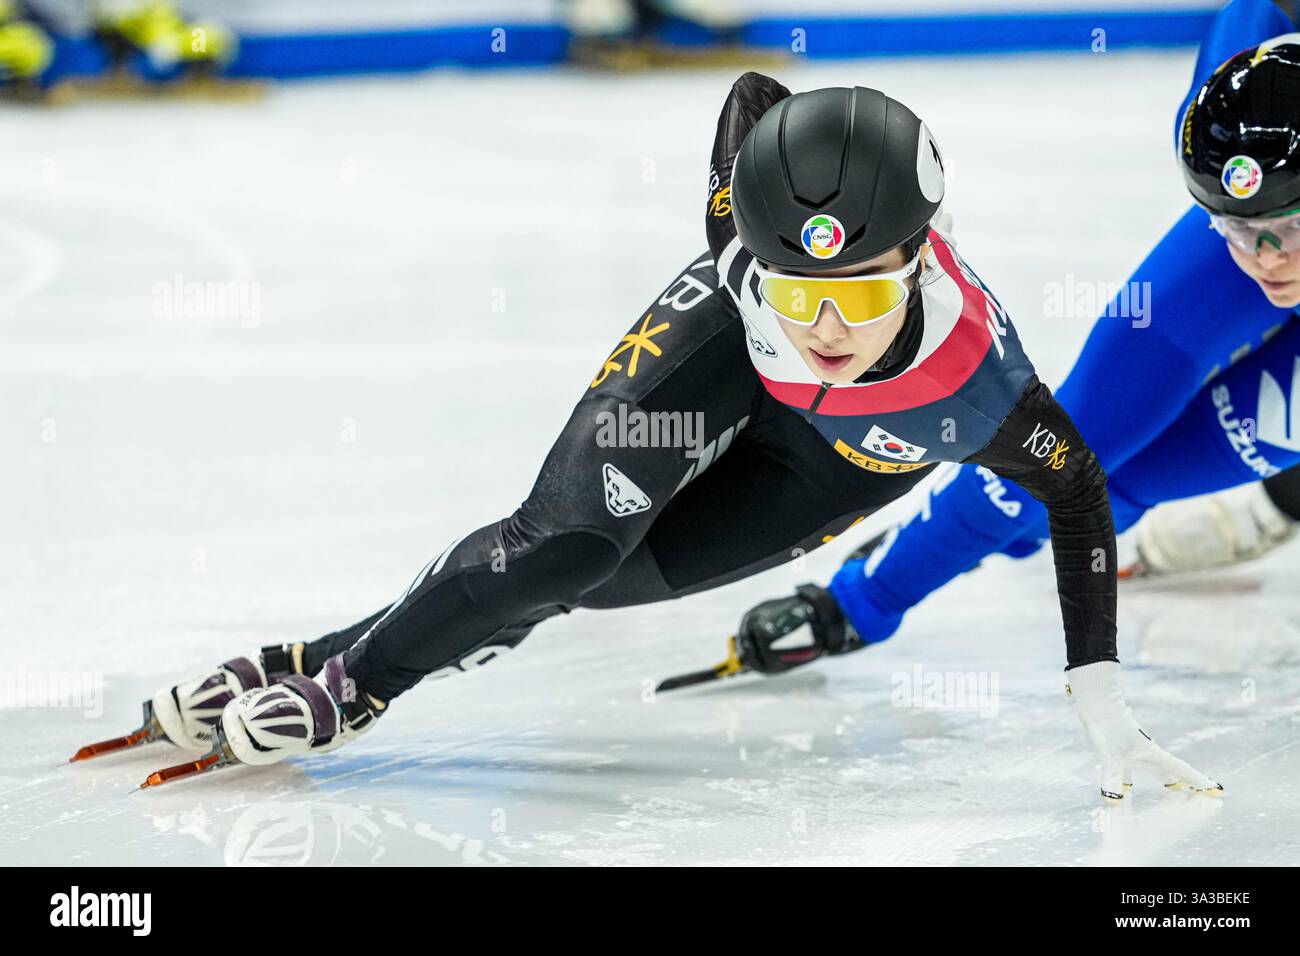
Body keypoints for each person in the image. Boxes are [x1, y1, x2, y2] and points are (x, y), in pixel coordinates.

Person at [128, 73, 1217, 800]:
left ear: (918, 258)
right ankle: (350, 686)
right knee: (561, 546)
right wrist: (758, 266)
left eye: (859, 293)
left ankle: (330, 652)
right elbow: (753, 98)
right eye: (798, 288)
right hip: (719, 356)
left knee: (594, 585)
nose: (828, 327)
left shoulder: (980, 388)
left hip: (835, 459)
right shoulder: (741, 258)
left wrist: (1101, 703)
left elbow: (1078, 496)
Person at [809, 6, 1300, 661]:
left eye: (1289, 233)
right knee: (1086, 454)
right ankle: (911, 566)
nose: (1266, 257)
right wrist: (868, 599)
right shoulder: (1241, 80)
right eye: (1234, 227)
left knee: (1126, 476)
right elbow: (1066, 458)